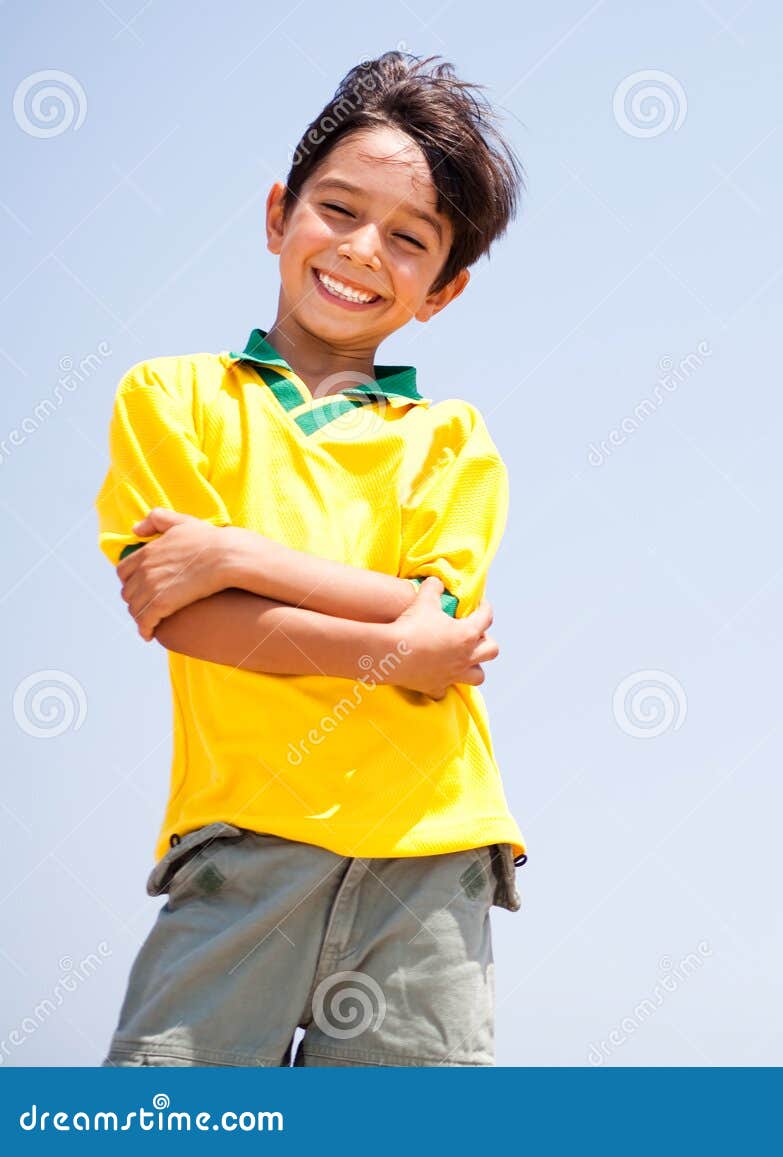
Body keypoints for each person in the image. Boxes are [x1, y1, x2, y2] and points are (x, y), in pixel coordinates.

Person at [93, 51, 527, 1067]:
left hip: (430, 853)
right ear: (279, 213)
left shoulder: (451, 439)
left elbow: (436, 619)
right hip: (243, 846)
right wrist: (395, 649)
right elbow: (184, 614)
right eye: (337, 209)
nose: (363, 250)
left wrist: (241, 551)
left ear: (444, 289)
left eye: (409, 239)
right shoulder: (174, 398)